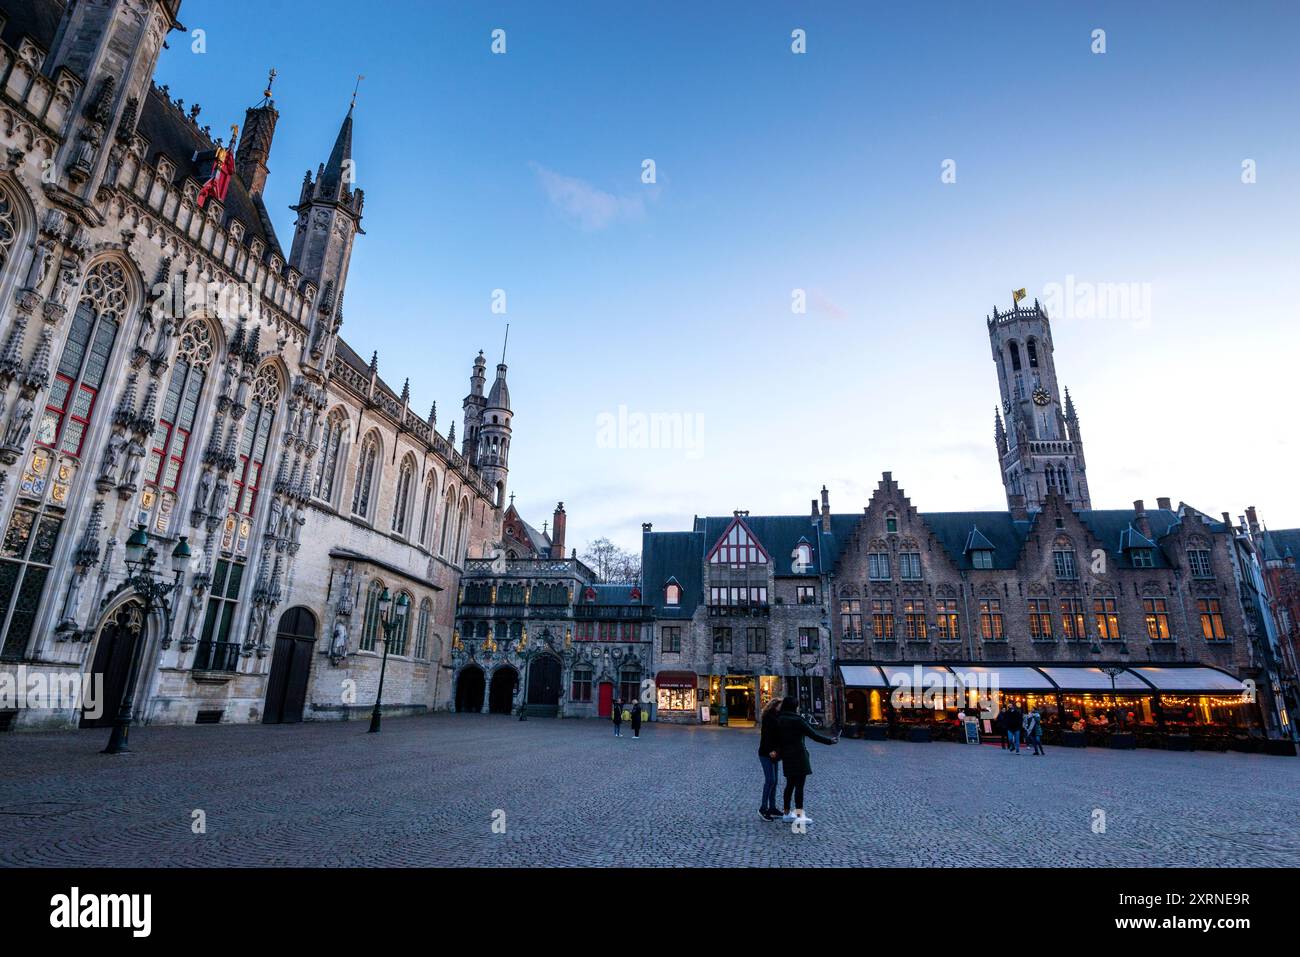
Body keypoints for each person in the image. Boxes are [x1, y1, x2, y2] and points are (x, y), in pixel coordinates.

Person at [775, 697, 836, 824]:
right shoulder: (797, 721)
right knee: (799, 787)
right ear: (794, 707)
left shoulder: (780, 720)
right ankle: (799, 815)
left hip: (787, 756)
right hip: (799, 755)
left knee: (789, 785)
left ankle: (786, 813)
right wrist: (830, 741)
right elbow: (813, 735)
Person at [757, 697, 783, 821]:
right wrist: (770, 750)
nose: (781, 707)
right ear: (775, 706)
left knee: (775, 781)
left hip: (775, 754)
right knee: (770, 780)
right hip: (766, 753)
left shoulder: (778, 717)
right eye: (780, 705)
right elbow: (766, 736)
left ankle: (772, 807)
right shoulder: (768, 718)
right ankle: (763, 808)